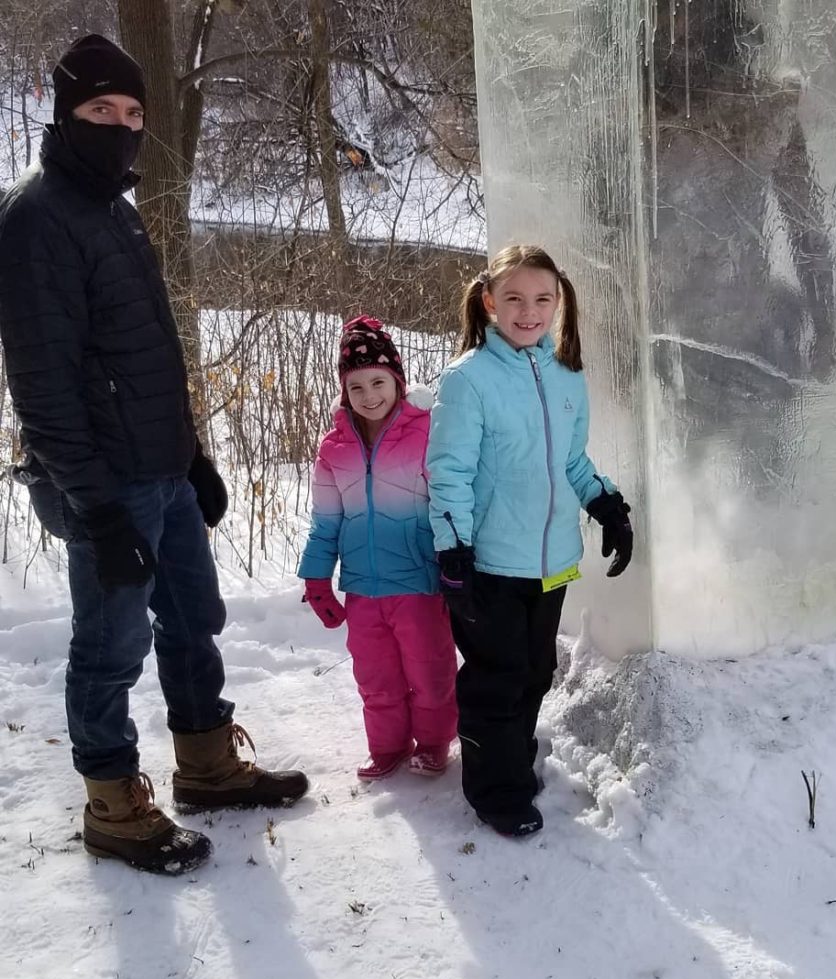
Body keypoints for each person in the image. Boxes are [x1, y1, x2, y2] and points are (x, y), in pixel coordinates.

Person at [0, 35, 308, 876]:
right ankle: (112, 804)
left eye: (134, 114)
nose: (123, 126)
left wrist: (194, 453)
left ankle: (206, 765)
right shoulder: (34, 220)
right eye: (104, 111)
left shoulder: (113, 207)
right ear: (65, 114)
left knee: (194, 615)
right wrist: (96, 509)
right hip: (105, 483)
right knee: (109, 646)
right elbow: (44, 386)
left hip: (161, 470)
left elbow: (150, 352)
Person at [426, 245, 634, 837]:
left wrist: (606, 504)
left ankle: (511, 763)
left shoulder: (568, 376)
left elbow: (570, 460)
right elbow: (449, 474)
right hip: (488, 563)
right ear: (490, 302)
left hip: (552, 562)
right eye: (514, 298)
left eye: (543, 298)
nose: (529, 311)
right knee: (498, 676)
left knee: (536, 670)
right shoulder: (468, 380)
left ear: (558, 302)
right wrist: (453, 553)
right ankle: (496, 790)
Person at [299, 315, 458, 781]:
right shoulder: (334, 449)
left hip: (419, 582)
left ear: (397, 379)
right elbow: (325, 520)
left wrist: (457, 564)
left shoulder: (427, 433)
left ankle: (432, 742)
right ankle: (387, 746)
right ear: (343, 392)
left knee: (430, 672)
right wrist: (316, 579)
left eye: (378, 382)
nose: (369, 396)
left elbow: (449, 504)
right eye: (356, 387)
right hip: (364, 588)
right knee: (375, 676)